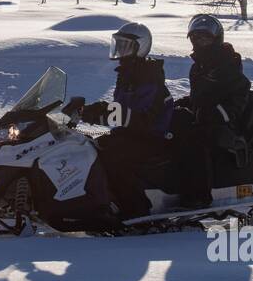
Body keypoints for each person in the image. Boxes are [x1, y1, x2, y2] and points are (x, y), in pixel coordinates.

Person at [65, 22, 172, 219]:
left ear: (141, 47)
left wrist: (101, 113)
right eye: (119, 44)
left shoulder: (148, 77)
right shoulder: (128, 74)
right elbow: (121, 109)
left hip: (151, 138)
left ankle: (135, 209)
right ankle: (97, 200)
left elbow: (140, 117)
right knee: (90, 147)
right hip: (131, 135)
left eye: (126, 45)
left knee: (115, 156)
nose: (121, 50)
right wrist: (89, 110)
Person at [172, 14, 252, 205]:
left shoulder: (228, 64)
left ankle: (199, 196)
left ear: (216, 39)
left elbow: (238, 98)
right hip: (206, 120)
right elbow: (200, 97)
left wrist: (215, 113)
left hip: (228, 127)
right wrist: (181, 103)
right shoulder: (199, 67)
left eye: (204, 37)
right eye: (195, 38)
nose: (199, 42)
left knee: (195, 139)